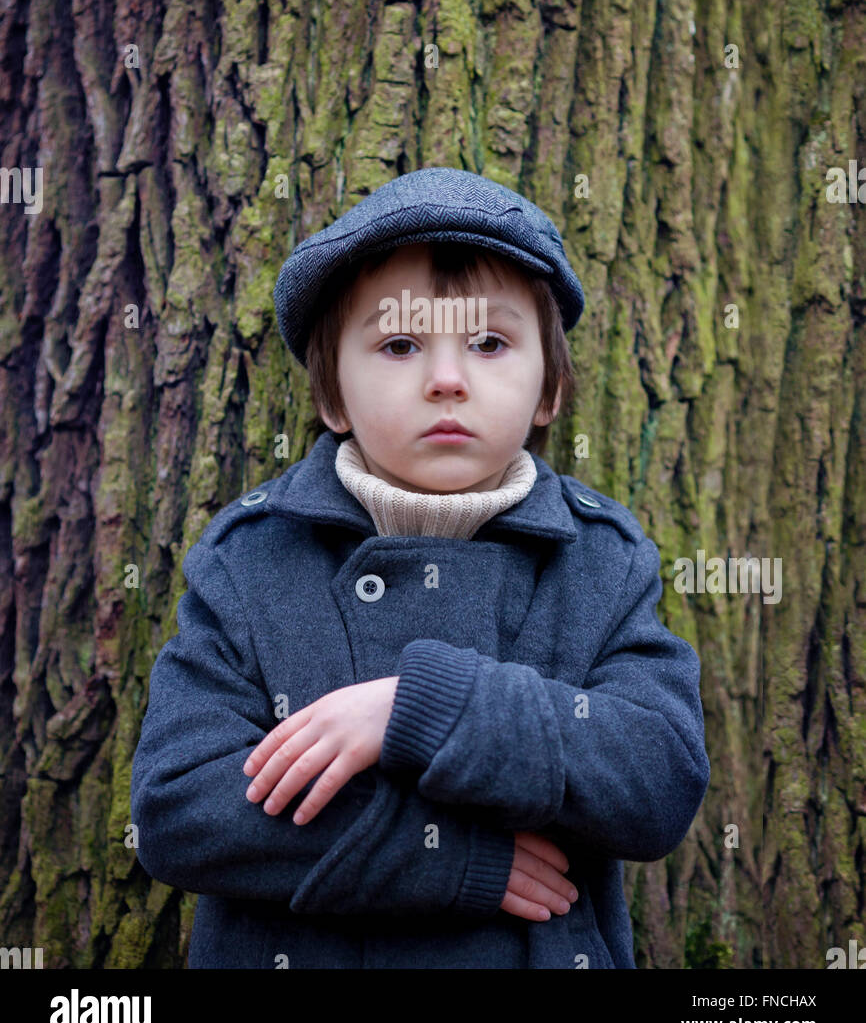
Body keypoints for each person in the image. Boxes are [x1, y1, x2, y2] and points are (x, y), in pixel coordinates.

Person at [130, 166, 710, 969]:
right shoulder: (252, 560)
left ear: (549, 389)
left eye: (490, 343)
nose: (447, 378)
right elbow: (179, 808)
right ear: (333, 395)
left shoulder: (600, 559)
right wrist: (443, 857)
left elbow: (658, 779)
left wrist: (425, 709)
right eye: (400, 344)